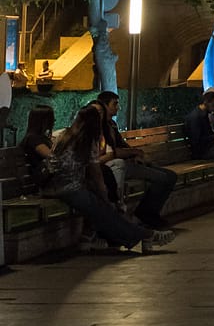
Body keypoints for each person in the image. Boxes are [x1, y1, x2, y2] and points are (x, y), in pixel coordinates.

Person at [47, 106, 175, 251]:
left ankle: (92, 237)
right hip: (69, 188)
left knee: (100, 208)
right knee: (105, 210)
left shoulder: (63, 135)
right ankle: (146, 235)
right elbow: (96, 173)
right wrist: (105, 196)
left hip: (52, 186)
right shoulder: (86, 140)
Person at [92, 91, 176, 229]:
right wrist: (134, 152)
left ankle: (148, 213)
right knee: (163, 178)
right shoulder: (100, 128)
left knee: (171, 175)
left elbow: (121, 145)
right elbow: (112, 152)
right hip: (115, 166)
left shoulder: (111, 124)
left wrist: (135, 154)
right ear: (105, 106)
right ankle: (146, 214)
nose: (118, 107)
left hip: (127, 161)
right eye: (114, 104)